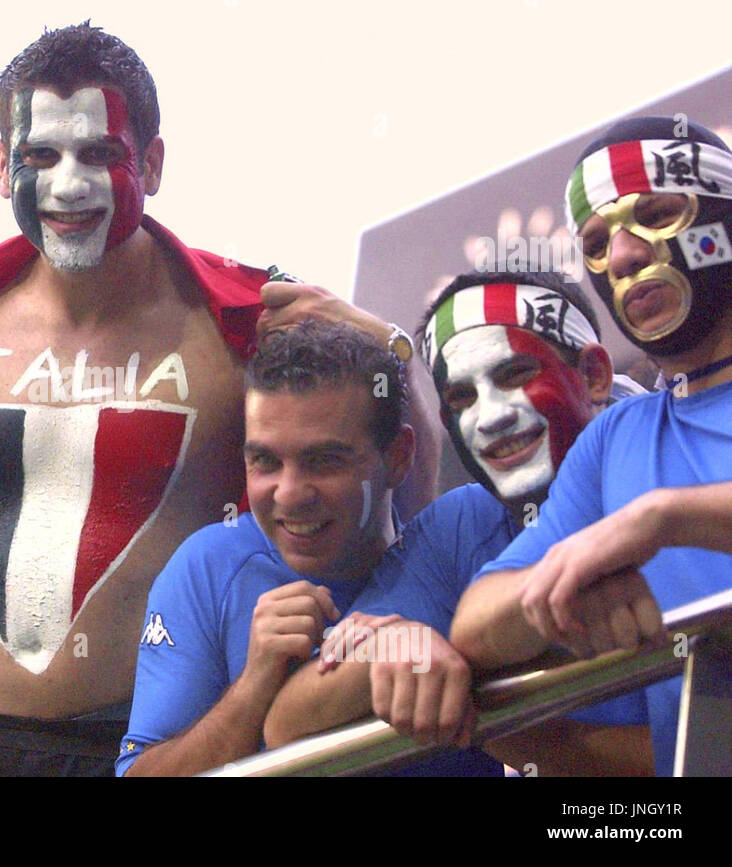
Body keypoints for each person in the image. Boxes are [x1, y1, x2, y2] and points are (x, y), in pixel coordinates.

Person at [0, 21, 435, 776]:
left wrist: (398, 357)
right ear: (3, 167)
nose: (69, 185)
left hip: (177, 738)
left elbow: (393, 495)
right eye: (41, 155)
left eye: (100, 154)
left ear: (153, 162)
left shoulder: (236, 320)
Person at [262, 270, 653, 775]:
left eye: (514, 374)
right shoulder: (463, 523)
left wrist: (483, 704)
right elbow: (288, 724)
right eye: (462, 398)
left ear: (594, 375)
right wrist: (395, 643)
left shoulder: (678, 461)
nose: (491, 418)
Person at [451, 117, 732, 776]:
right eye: (598, 242)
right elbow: (475, 623)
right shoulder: (616, 437)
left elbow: (656, 520)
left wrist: (660, 519)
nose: (627, 257)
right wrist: (561, 595)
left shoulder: (640, 491)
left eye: (659, 214)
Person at [115, 320, 500, 776]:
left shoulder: (465, 543)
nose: (289, 494)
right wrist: (254, 686)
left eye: (324, 460)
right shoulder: (210, 568)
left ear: (398, 456)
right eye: (265, 461)